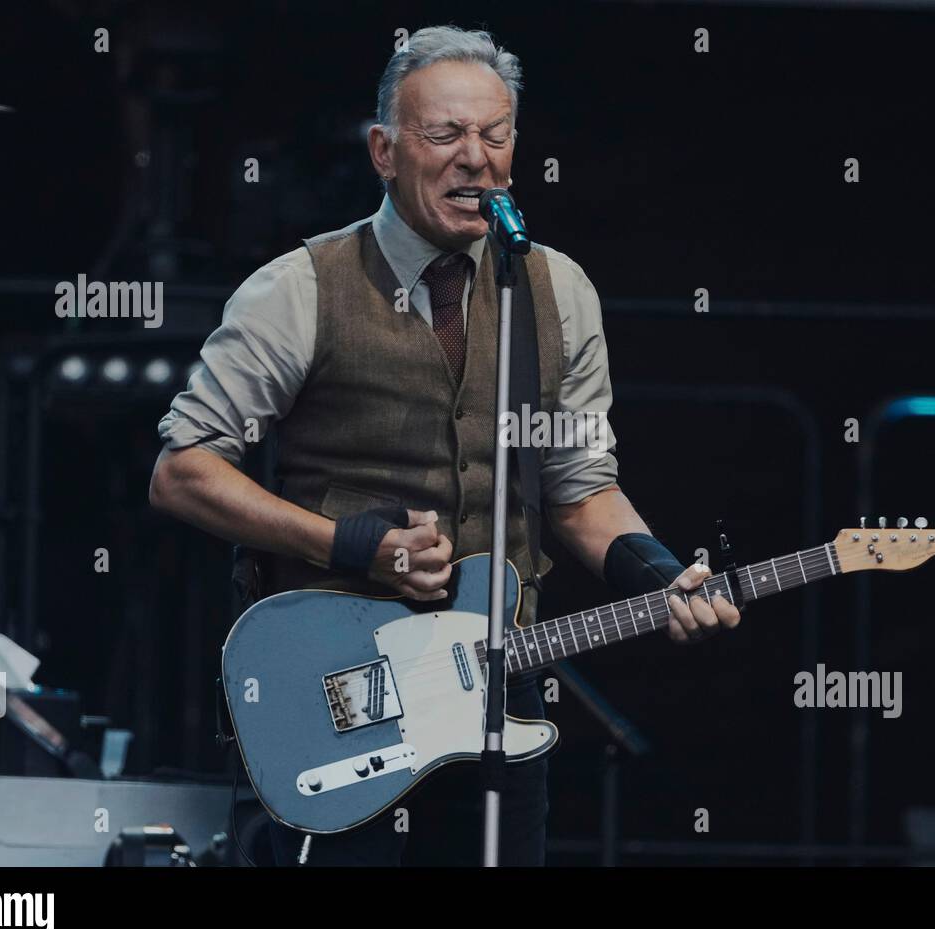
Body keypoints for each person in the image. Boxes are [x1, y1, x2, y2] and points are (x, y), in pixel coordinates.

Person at [149, 25, 740, 866]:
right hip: (339, 693)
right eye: (446, 135)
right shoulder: (301, 287)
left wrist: (658, 574)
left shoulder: (556, 289)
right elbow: (182, 472)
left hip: (497, 695)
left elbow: (579, 486)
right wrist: (349, 542)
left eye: (494, 136)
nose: (475, 158)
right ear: (385, 151)